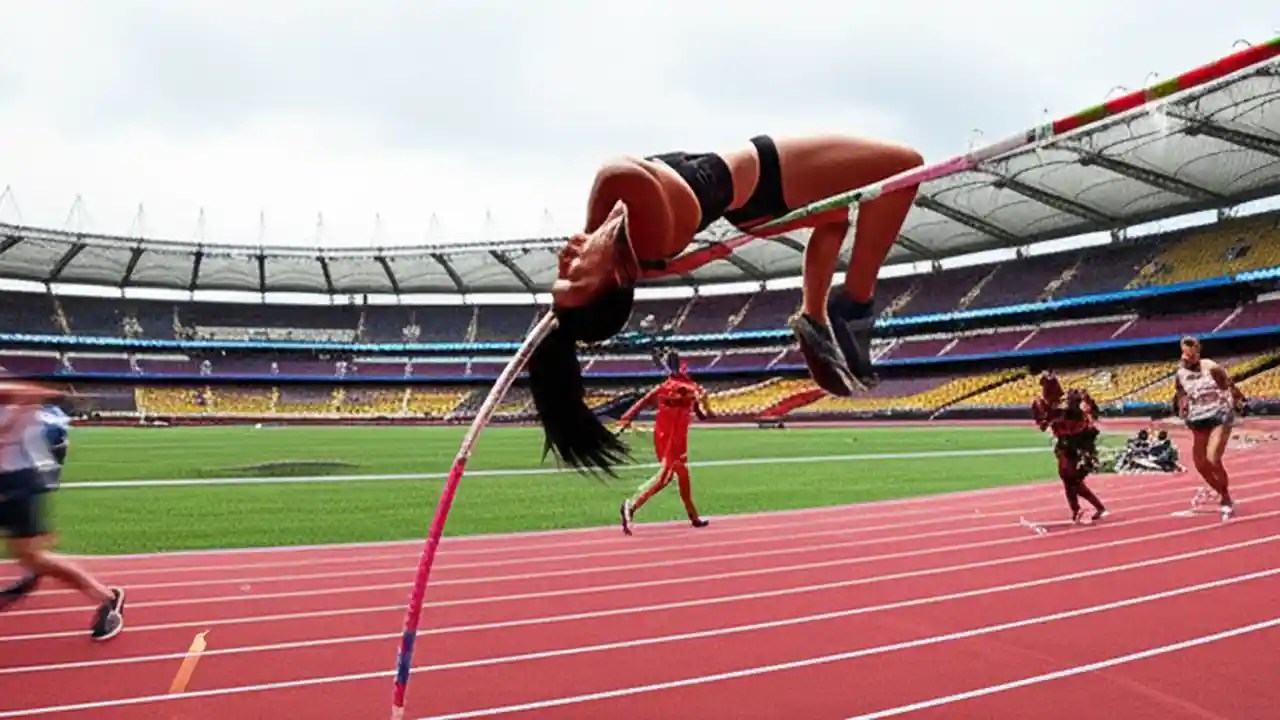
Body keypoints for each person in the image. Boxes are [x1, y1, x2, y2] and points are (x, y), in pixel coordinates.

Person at [529, 133, 924, 474]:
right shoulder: (650, 237)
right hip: (767, 174)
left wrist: (589, 260)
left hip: (749, 202)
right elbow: (616, 171)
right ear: (613, 281)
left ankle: (814, 317)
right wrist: (593, 234)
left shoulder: (628, 248)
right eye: (573, 276)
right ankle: (855, 302)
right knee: (904, 168)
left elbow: (620, 205)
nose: (565, 258)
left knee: (834, 218)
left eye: (559, 274)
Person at [0, 380, 125, 640]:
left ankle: (108, 598)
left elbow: (34, 393)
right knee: (30, 556)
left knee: (35, 557)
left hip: (18, 483)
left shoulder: (18, 396)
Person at [613, 353, 713, 535]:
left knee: (682, 477)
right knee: (665, 477)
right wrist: (624, 421)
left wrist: (705, 402)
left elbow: (704, 415)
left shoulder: (689, 389)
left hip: (680, 441)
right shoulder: (674, 388)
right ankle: (631, 505)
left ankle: (694, 516)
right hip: (667, 438)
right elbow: (646, 401)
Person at [1172, 336, 1245, 520]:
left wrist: (1236, 402)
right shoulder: (1180, 373)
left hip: (1219, 415)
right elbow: (1180, 394)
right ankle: (1220, 491)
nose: (1186, 360)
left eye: (1190, 356)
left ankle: (1226, 497)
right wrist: (1181, 407)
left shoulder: (1211, 367)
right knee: (1200, 464)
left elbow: (1228, 386)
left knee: (1213, 458)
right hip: (1198, 419)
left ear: (1197, 354)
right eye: (1184, 357)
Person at [1032, 371, 1108, 524]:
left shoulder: (1071, 408)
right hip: (1065, 445)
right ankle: (1082, 509)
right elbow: (1043, 424)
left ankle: (1084, 509)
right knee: (1068, 479)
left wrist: (1052, 417)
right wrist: (1045, 418)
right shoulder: (1050, 408)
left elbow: (1076, 416)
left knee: (1071, 480)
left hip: (1081, 447)